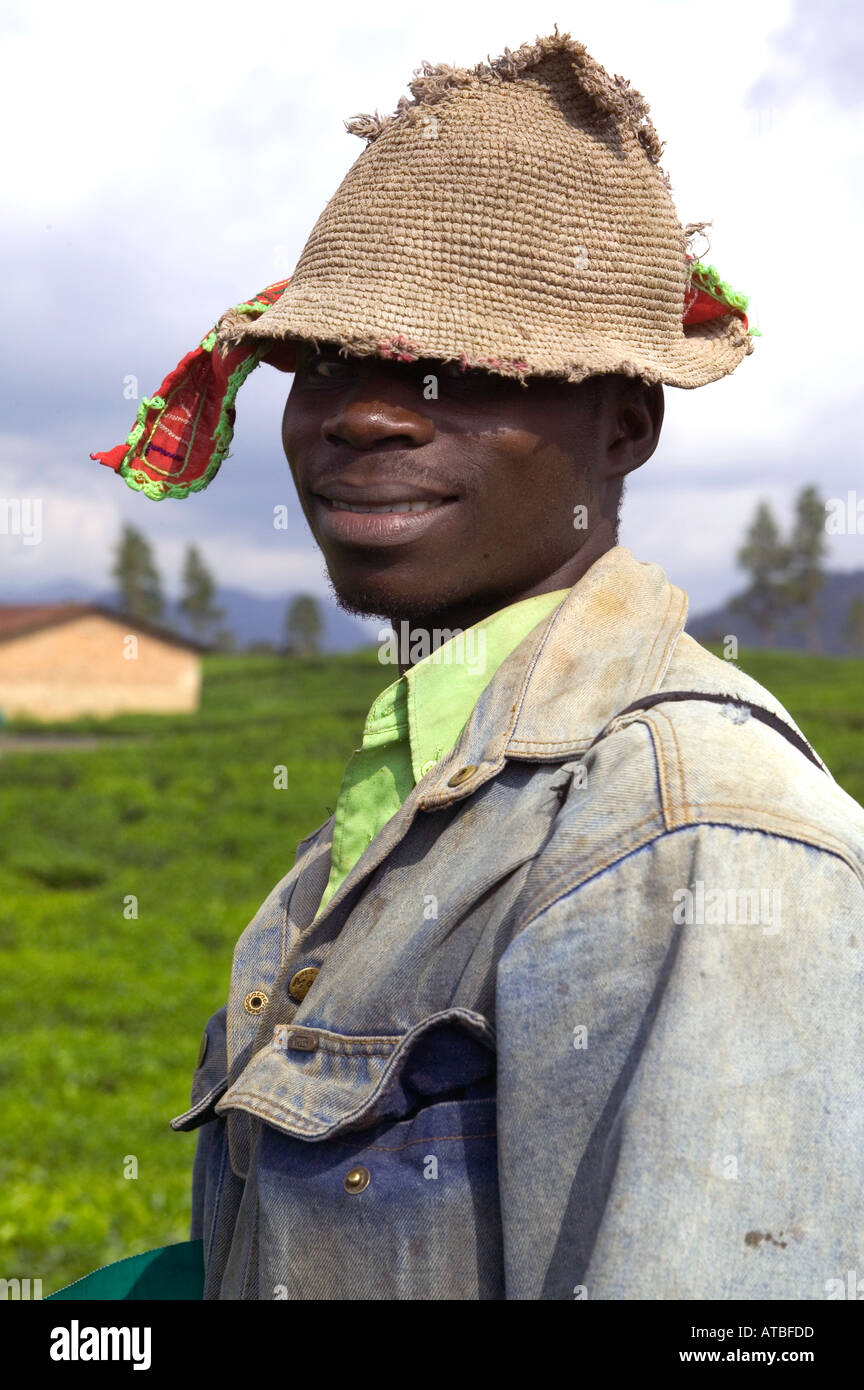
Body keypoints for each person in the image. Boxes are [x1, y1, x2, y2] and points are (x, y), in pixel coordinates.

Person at [95, 29, 864, 1300]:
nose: (365, 411)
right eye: (328, 358)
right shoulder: (436, 789)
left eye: (456, 367)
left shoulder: (698, 840)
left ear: (627, 423)